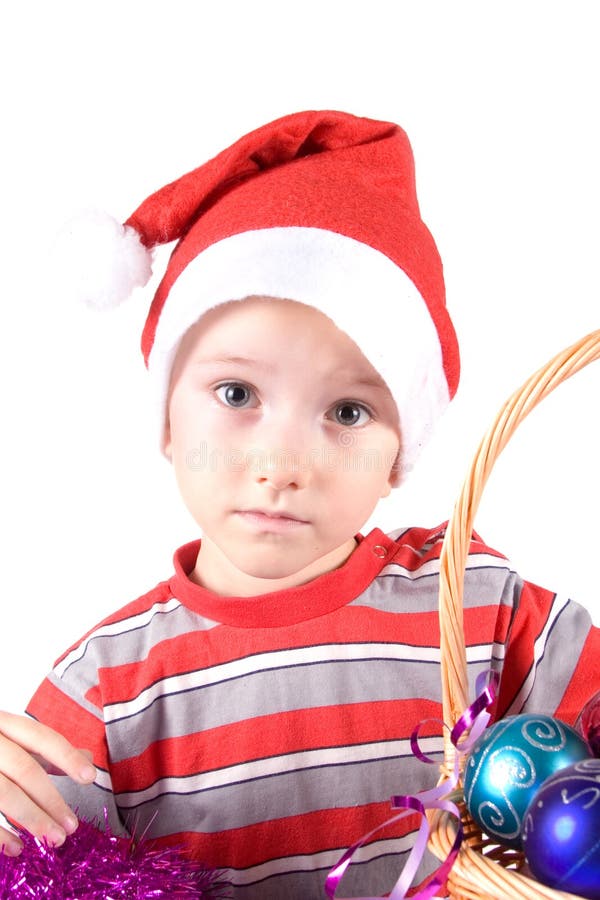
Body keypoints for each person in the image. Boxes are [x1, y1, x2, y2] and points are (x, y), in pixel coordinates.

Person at [0, 110, 597, 899]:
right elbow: (34, 861)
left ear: (398, 452)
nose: (282, 463)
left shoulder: (483, 610)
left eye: (347, 413)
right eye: (237, 392)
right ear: (167, 422)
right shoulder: (106, 692)